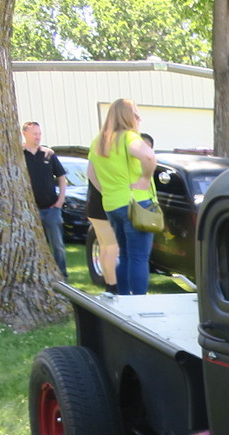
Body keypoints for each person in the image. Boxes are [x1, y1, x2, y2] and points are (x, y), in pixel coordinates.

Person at [88, 98, 157, 296]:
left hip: (112, 205)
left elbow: (91, 174)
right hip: (136, 204)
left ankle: (123, 298)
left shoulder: (98, 142)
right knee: (139, 257)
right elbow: (149, 156)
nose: (139, 119)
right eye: (136, 114)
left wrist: (108, 191)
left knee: (124, 255)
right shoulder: (129, 138)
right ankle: (140, 301)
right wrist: (144, 179)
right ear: (128, 117)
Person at [22, 120, 68, 277]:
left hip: (51, 208)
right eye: (34, 134)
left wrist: (60, 200)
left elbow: (61, 176)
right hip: (30, 210)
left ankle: (62, 274)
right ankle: (34, 275)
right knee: (31, 244)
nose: (38, 137)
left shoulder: (48, 154)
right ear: (25, 133)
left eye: (39, 134)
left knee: (58, 244)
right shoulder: (19, 154)